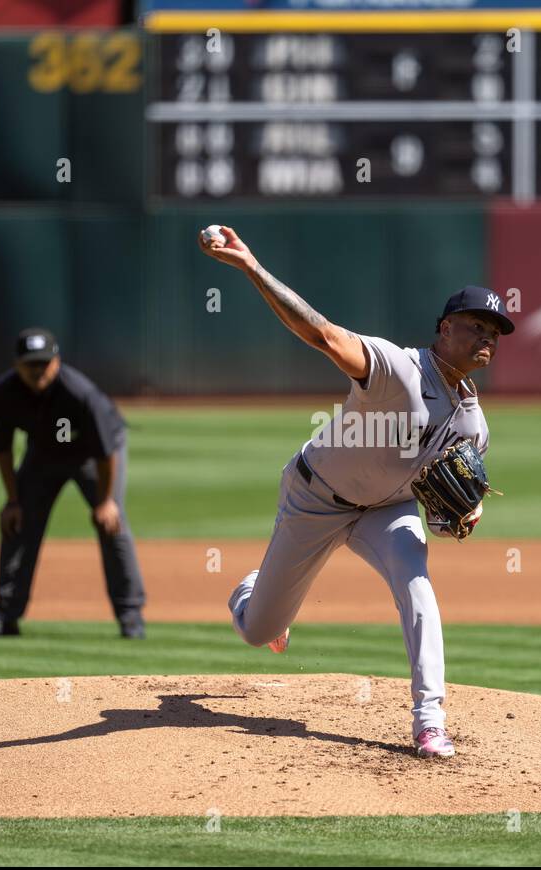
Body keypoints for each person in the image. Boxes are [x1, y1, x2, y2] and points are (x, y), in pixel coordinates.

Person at [198, 224, 512, 759]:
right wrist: (250, 267)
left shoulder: (474, 426)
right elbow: (320, 333)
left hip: (387, 510)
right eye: (475, 325)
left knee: (418, 585)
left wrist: (468, 510)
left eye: (494, 332)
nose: (485, 338)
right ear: (444, 328)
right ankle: (252, 589)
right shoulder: (397, 367)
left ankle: (429, 720)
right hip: (314, 497)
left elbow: (443, 509)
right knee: (258, 630)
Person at [0, 328, 147, 639]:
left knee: (111, 524)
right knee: (17, 523)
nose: (38, 370)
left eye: (44, 363)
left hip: (93, 457)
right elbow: (2, 447)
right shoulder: (4, 393)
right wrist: (12, 500)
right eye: (30, 364)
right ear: (17, 365)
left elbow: (107, 453)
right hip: (44, 455)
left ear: (57, 362)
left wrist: (106, 502)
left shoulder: (80, 394)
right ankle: (5, 616)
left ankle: (130, 618)